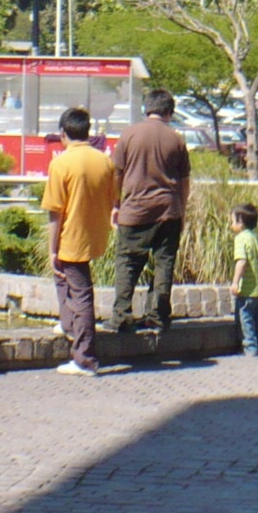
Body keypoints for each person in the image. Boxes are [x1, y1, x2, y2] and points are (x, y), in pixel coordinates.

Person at [108, 88, 191, 336]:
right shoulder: (176, 139)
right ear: (169, 112)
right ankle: (157, 317)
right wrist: (182, 210)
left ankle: (122, 317)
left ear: (147, 109)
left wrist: (116, 204)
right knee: (164, 264)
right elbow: (185, 180)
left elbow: (116, 173)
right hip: (168, 210)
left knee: (128, 264)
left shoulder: (129, 135)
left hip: (134, 211)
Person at [42, 106, 117, 377]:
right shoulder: (104, 161)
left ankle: (84, 358)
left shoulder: (60, 164)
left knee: (81, 294)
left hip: (70, 237)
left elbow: (55, 211)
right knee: (66, 280)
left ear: (63, 133)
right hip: (94, 235)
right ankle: (67, 323)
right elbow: (112, 200)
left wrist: (52, 248)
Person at [231, 201, 258, 356]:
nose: (231, 225)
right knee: (256, 318)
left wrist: (235, 281)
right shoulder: (255, 238)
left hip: (247, 289)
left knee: (245, 318)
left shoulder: (241, 239)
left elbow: (241, 261)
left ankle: (250, 347)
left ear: (241, 223)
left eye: (232, 222)